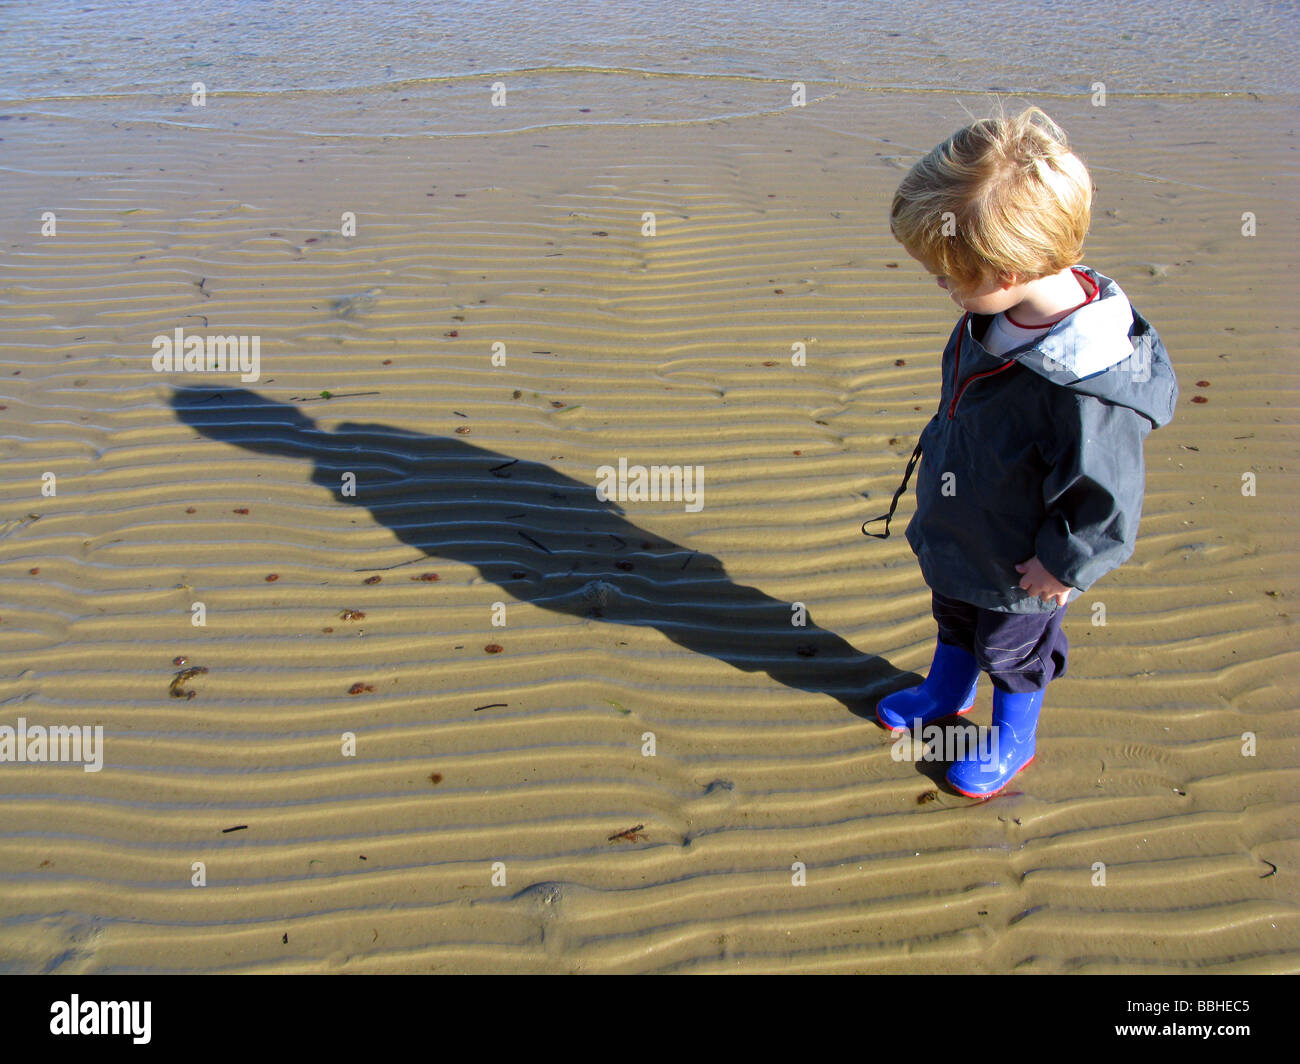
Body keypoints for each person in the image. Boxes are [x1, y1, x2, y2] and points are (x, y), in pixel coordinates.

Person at [868, 105, 1178, 797]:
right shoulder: (997, 312)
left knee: (1013, 648)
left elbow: (1108, 494)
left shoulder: (1089, 382)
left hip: (1024, 560)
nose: (941, 288)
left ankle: (1014, 736)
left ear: (1008, 271)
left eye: (948, 276)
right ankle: (947, 690)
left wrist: (1064, 565)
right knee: (952, 608)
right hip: (962, 520)